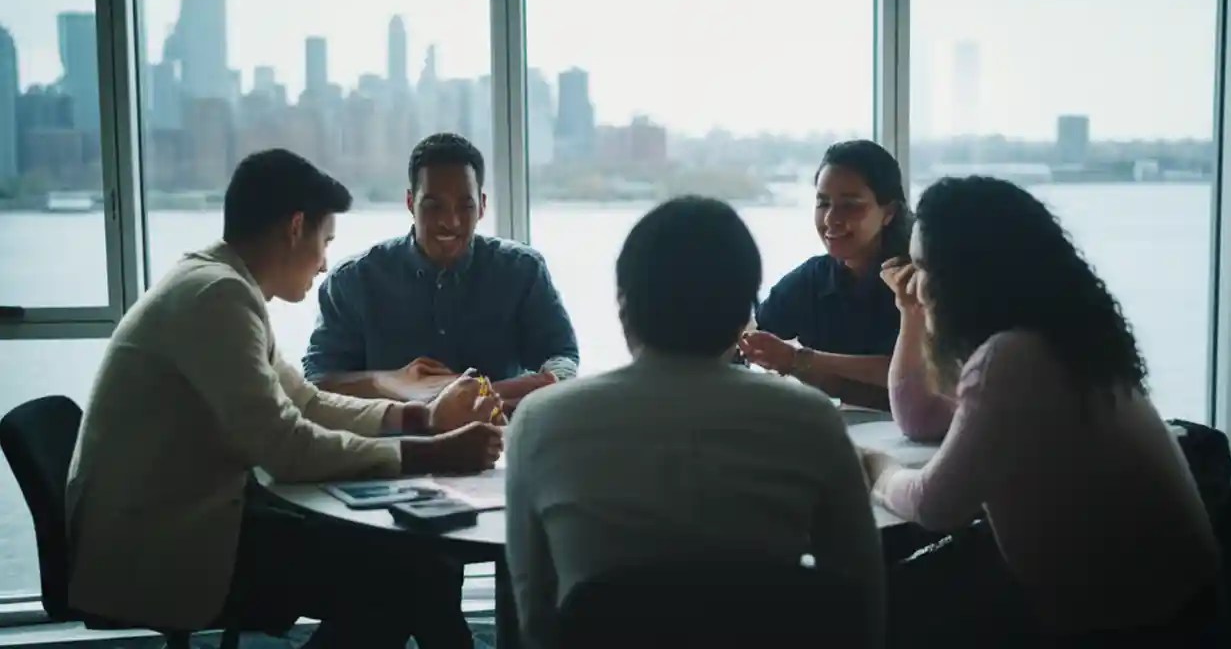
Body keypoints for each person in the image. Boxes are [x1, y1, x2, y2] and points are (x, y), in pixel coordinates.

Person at [66, 149, 504, 649]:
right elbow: (286, 448)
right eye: (325, 241)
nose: (323, 263)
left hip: (185, 517)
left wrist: (420, 417)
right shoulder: (218, 298)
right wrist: (433, 451)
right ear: (296, 227)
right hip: (163, 543)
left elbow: (306, 402)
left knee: (408, 566)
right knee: (401, 576)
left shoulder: (220, 283)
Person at [505, 196, 885, 649]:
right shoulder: (810, 419)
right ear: (743, 316)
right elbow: (860, 599)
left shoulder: (541, 422)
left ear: (623, 306)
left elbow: (533, 619)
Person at [863, 176, 1220, 645]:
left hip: (1125, 625)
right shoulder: (1063, 343)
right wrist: (912, 316)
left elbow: (936, 507)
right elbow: (924, 415)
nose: (916, 281)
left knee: (882, 612)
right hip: (1180, 608)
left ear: (966, 275)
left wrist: (877, 470)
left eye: (925, 266)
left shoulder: (1011, 359)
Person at [303, 133, 578, 408]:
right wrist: (394, 381)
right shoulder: (352, 282)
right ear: (411, 203)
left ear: (482, 206)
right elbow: (318, 381)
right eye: (434, 206)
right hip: (392, 447)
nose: (451, 221)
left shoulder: (523, 271)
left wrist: (483, 394)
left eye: (465, 206)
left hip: (498, 434)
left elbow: (561, 357)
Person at [739, 140, 909, 409]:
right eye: (823, 203)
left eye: (850, 205)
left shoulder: (916, 280)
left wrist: (800, 360)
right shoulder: (812, 279)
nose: (830, 219)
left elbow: (917, 374)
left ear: (889, 212)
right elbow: (752, 335)